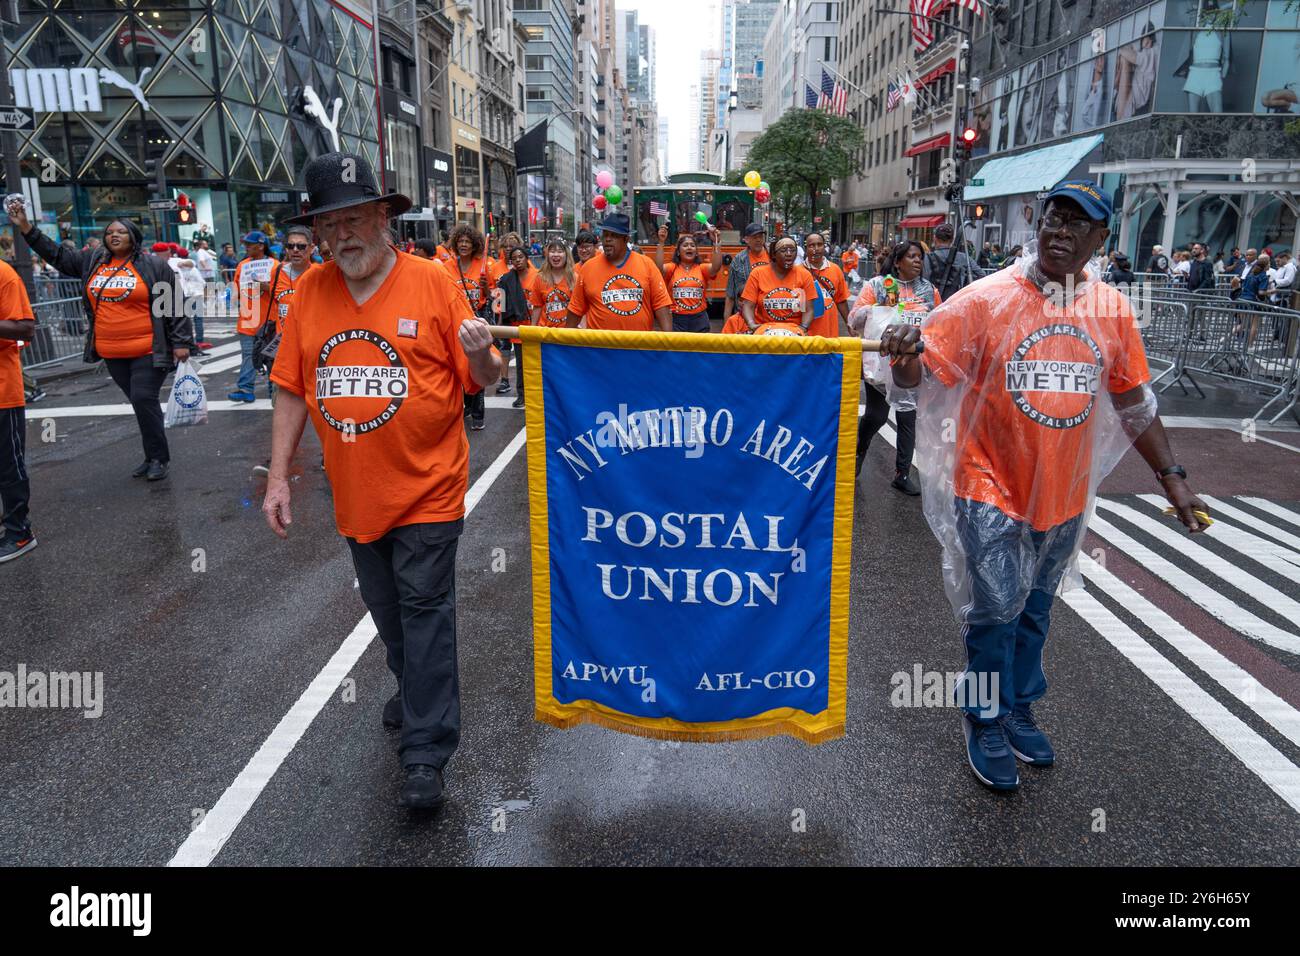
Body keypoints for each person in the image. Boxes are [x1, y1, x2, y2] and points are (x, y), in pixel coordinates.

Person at [880, 180, 1206, 792]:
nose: (1061, 232)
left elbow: (1135, 400)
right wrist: (903, 351)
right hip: (989, 481)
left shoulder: (1111, 309)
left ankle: (1019, 706)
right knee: (997, 605)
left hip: (1062, 490)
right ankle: (983, 717)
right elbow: (920, 372)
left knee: (1036, 605)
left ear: (1100, 239)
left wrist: (1174, 479)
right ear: (1039, 224)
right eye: (1054, 218)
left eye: (1077, 225)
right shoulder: (985, 299)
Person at [264, 151, 501, 810]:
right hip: (357, 498)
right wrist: (278, 476)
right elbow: (289, 389)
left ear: (382, 217)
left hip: (430, 488)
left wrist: (482, 352)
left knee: (424, 610)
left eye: (355, 218)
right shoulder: (310, 292)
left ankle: (425, 753)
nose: (343, 235)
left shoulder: (433, 283)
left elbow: (484, 378)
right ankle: (414, 685)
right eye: (329, 224)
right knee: (390, 614)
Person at [10, 210, 190, 480]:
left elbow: (174, 304)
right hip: (111, 351)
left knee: (143, 398)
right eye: (109, 232)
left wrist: (181, 342)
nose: (114, 235)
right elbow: (57, 255)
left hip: (148, 349)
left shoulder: (153, 265)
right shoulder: (92, 260)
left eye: (120, 231)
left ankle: (159, 458)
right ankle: (151, 454)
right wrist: (26, 227)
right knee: (139, 403)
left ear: (133, 236)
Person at [848, 240, 939, 497]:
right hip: (880, 366)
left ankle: (902, 474)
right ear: (898, 262)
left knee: (907, 418)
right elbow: (854, 319)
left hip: (910, 365)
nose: (917, 260)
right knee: (876, 416)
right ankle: (859, 449)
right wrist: (879, 308)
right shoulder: (877, 285)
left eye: (920, 256)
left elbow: (937, 323)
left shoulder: (929, 291)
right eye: (911, 256)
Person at [440, 223, 504, 430]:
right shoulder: (447, 267)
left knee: (477, 364)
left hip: (477, 322)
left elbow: (495, 296)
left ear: (475, 244)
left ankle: (478, 413)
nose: (464, 245)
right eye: (461, 242)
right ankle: (465, 407)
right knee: (457, 368)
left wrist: (486, 286)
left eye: (468, 242)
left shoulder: (485, 265)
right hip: (455, 323)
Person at [565, 214, 671, 332]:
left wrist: (669, 346)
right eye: (605, 234)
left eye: (614, 235)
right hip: (600, 347)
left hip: (637, 346)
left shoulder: (647, 265)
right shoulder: (588, 268)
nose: (608, 239)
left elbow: (661, 305)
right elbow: (575, 309)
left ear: (626, 239)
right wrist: (564, 344)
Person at [0, 258, 36, 562]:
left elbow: (25, 328)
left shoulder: (4, 274)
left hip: (2, 391)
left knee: (8, 466)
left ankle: (19, 532)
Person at [230, 231, 282, 403]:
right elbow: (236, 289)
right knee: (247, 355)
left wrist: (263, 286)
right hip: (247, 319)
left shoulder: (275, 265)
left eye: (249, 244)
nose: (246, 247)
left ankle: (273, 389)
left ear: (261, 246)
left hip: (269, 321)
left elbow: (281, 292)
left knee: (270, 357)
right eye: (245, 244)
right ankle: (245, 388)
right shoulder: (242, 265)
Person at [738, 235, 816, 333]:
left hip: (795, 333)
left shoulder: (804, 275)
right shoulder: (757, 273)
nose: (789, 254)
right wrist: (752, 325)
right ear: (774, 255)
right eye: (783, 250)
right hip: (765, 332)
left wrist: (803, 328)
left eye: (792, 250)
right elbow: (748, 306)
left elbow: (809, 309)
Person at [653, 222, 723, 332]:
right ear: (678, 252)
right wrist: (661, 242)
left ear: (696, 252)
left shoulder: (702, 268)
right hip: (677, 319)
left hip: (700, 319)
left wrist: (716, 242)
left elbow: (716, 267)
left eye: (692, 245)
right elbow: (658, 269)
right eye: (685, 245)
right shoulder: (672, 268)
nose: (689, 247)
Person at [496, 246, 537, 406]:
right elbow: (499, 304)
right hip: (518, 328)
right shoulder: (506, 280)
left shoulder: (538, 275)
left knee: (537, 363)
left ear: (527, 258)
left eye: (521, 256)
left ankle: (537, 394)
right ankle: (522, 395)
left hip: (536, 325)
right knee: (521, 365)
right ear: (511, 261)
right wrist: (500, 324)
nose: (518, 260)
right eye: (514, 258)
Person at [802, 231, 850, 337]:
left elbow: (841, 300)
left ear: (824, 247)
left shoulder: (836, 269)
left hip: (829, 334)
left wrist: (849, 325)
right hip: (804, 336)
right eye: (811, 245)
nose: (816, 248)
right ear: (806, 248)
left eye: (819, 244)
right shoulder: (797, 271)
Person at [723, 223, 771, 324]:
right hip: (745, 315)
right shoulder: (738, 260)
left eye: (760, 237)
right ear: (746, 240)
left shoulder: (773, 256)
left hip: (769, 315)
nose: (758, 240)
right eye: (754, 237)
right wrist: (726, 324)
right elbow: (730, 295)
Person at [923, 223, 976, 302]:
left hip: (932, 302)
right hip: (955, 302)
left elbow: (923, 280)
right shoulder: (964, 258)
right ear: (952, 240)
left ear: (935, 238)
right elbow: (981, 275)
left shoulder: (926, 258)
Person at [169, 246, 209, 350]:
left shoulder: (176, 268)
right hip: (196, 295)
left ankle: (188, 341)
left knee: (186, 321)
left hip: (185, 295)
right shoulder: (193, 269)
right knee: (198, 319)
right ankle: (199, 341)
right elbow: (202, 282)